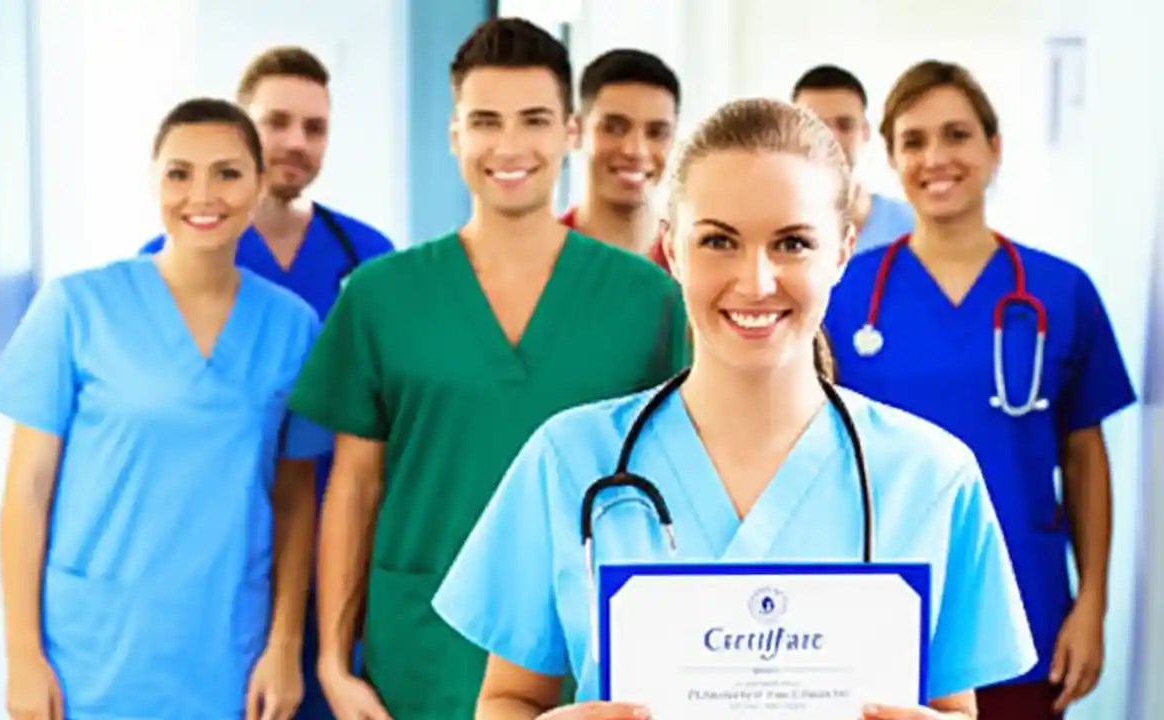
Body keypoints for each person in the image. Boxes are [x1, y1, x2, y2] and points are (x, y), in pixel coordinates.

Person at [431, 97, 1038, 720]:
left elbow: (955, 710)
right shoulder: (569, 460)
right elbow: (509, 699)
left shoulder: (932, 476)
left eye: (793, 243)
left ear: (842, 250)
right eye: (719, 240)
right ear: (671, 246)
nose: (756, 281)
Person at [288, 17, 689, 720]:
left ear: (569, 131)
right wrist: (332, 661)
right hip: (417, 654)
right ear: (454, 135)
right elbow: (355, 486)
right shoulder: (382, 296)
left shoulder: (649, 300)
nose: (508, 146)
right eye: (484, 121)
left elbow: (685, 487)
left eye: (533, 120)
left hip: (588, 662)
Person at [0, 98, 331, 720]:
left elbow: (295, 496)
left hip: (227, 645)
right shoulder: (76, 307)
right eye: (179, 173)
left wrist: (284, 645)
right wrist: (22, 655)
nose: (203, 193)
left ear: (258, 185)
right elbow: (26, 492)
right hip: (91, 648)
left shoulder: (291, 326)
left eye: (227, 172)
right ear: (154, 183)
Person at [822, 60, 1138, 719]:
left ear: (994, 148)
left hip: (1026, 611)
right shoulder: (844, 294)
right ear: (891, 159)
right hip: (878, 612)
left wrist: (1093, 605)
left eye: (957, 135)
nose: (936, 157)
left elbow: (1084, 457)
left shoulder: (1061, 292)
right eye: (913, 141)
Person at [139, 48, 394, 718]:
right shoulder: (160, 273)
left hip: (341, 562)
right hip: (218, 562)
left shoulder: (368, 261)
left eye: (315, 128)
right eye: (276, 122)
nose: (295, 142)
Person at [559, 48, 680, 270]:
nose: (635, 150)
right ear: (575, 132)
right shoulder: (533, 264)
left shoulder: (693, 268)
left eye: (656, 133)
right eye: (614, 128)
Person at [793, 64, 914, 254]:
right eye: (816, 125)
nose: (832, 139)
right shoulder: (767, 228)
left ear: (865, 131)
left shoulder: (913, 228)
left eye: (845, 125)